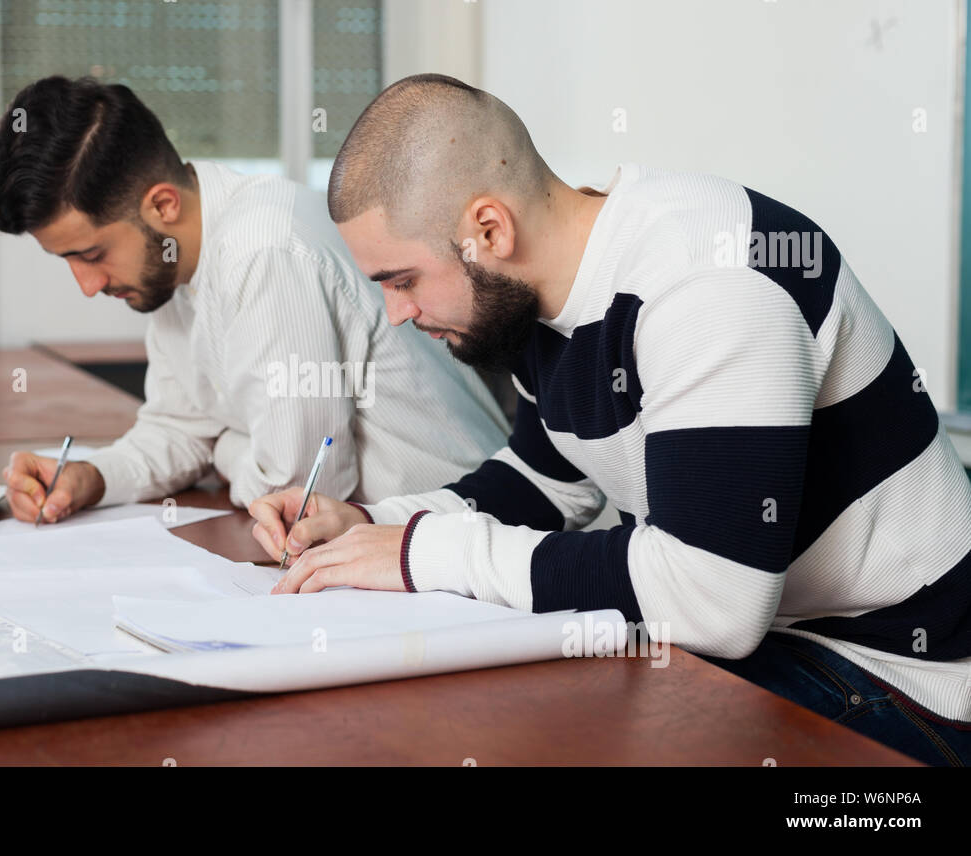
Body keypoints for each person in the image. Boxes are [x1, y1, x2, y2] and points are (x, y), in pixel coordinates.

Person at [248, 73, 971, 766]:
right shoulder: (537, 299)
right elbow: (545, 478)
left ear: (489, 230)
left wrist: (425, 554)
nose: (396, 315)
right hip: (774, 647)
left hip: (904, 678)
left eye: (401, 281)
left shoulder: (708, 284)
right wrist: (372, 526)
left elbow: (712, 599)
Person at [0, 75, 507, 520]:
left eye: (92, 255)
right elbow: (182, 428)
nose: (88, 286)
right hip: (367, 551)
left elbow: (299, 495)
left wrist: (222, 448)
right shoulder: (173, 267)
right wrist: (92, 476)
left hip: (451, 544)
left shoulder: (265, 249)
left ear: (162, 204)